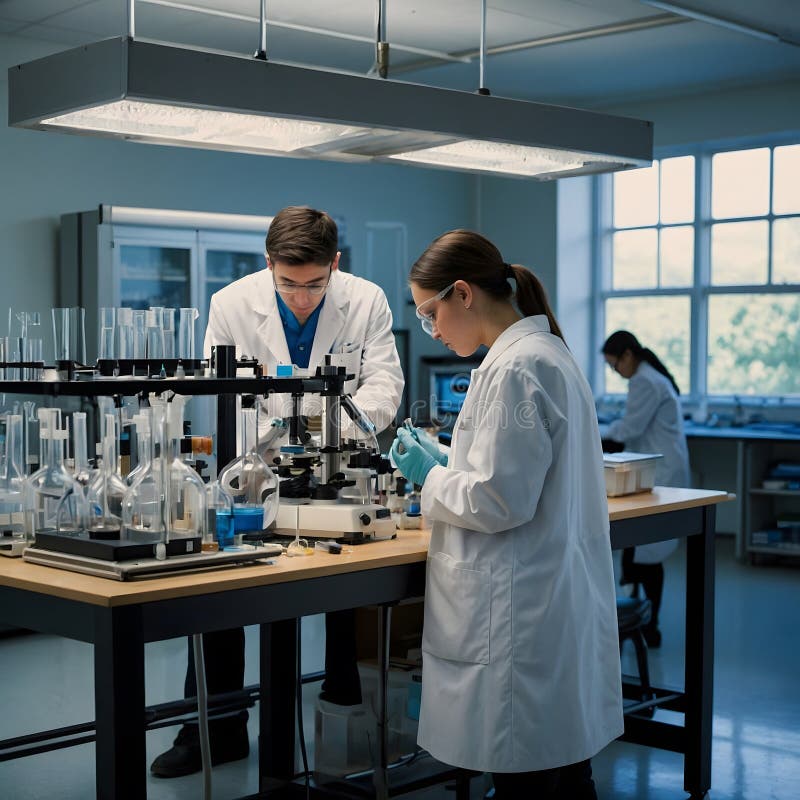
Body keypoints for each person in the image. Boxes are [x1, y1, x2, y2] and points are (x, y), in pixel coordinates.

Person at [150, 206, 404, 777]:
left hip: (335, 467)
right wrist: (271, 443)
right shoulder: (232, 303)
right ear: (269, 266)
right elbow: (225, 391)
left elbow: (386, 381)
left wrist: (328, 431)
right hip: (255, 469)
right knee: (224, 590)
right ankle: (213, 730)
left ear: (335, 265)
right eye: (288, 283)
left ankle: (341, 719)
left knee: (340, 586)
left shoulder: (366, 300)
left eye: (316, 283)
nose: (302, 297)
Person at [390, 230, 623, 799]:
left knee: (536, 780)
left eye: (430, 312)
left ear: (463, 294)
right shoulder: (539, 356)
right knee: (560, 772)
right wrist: (452, 458)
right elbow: (513, 474)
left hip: (520, 616)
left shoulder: (516, 369)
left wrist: (430, 475)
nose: (434, 330)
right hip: (543, 604)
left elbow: (499, 501)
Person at [601, 330, 690, 648]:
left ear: (627, 356)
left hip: (660, 472)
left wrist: (596, 430)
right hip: (658, 467)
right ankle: (645, 622)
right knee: (644, 554)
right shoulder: (649, 377)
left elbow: (630, 428)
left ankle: (648, 625)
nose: (616, 372)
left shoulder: (644, 381)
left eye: (614, 366)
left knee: (646, 555)